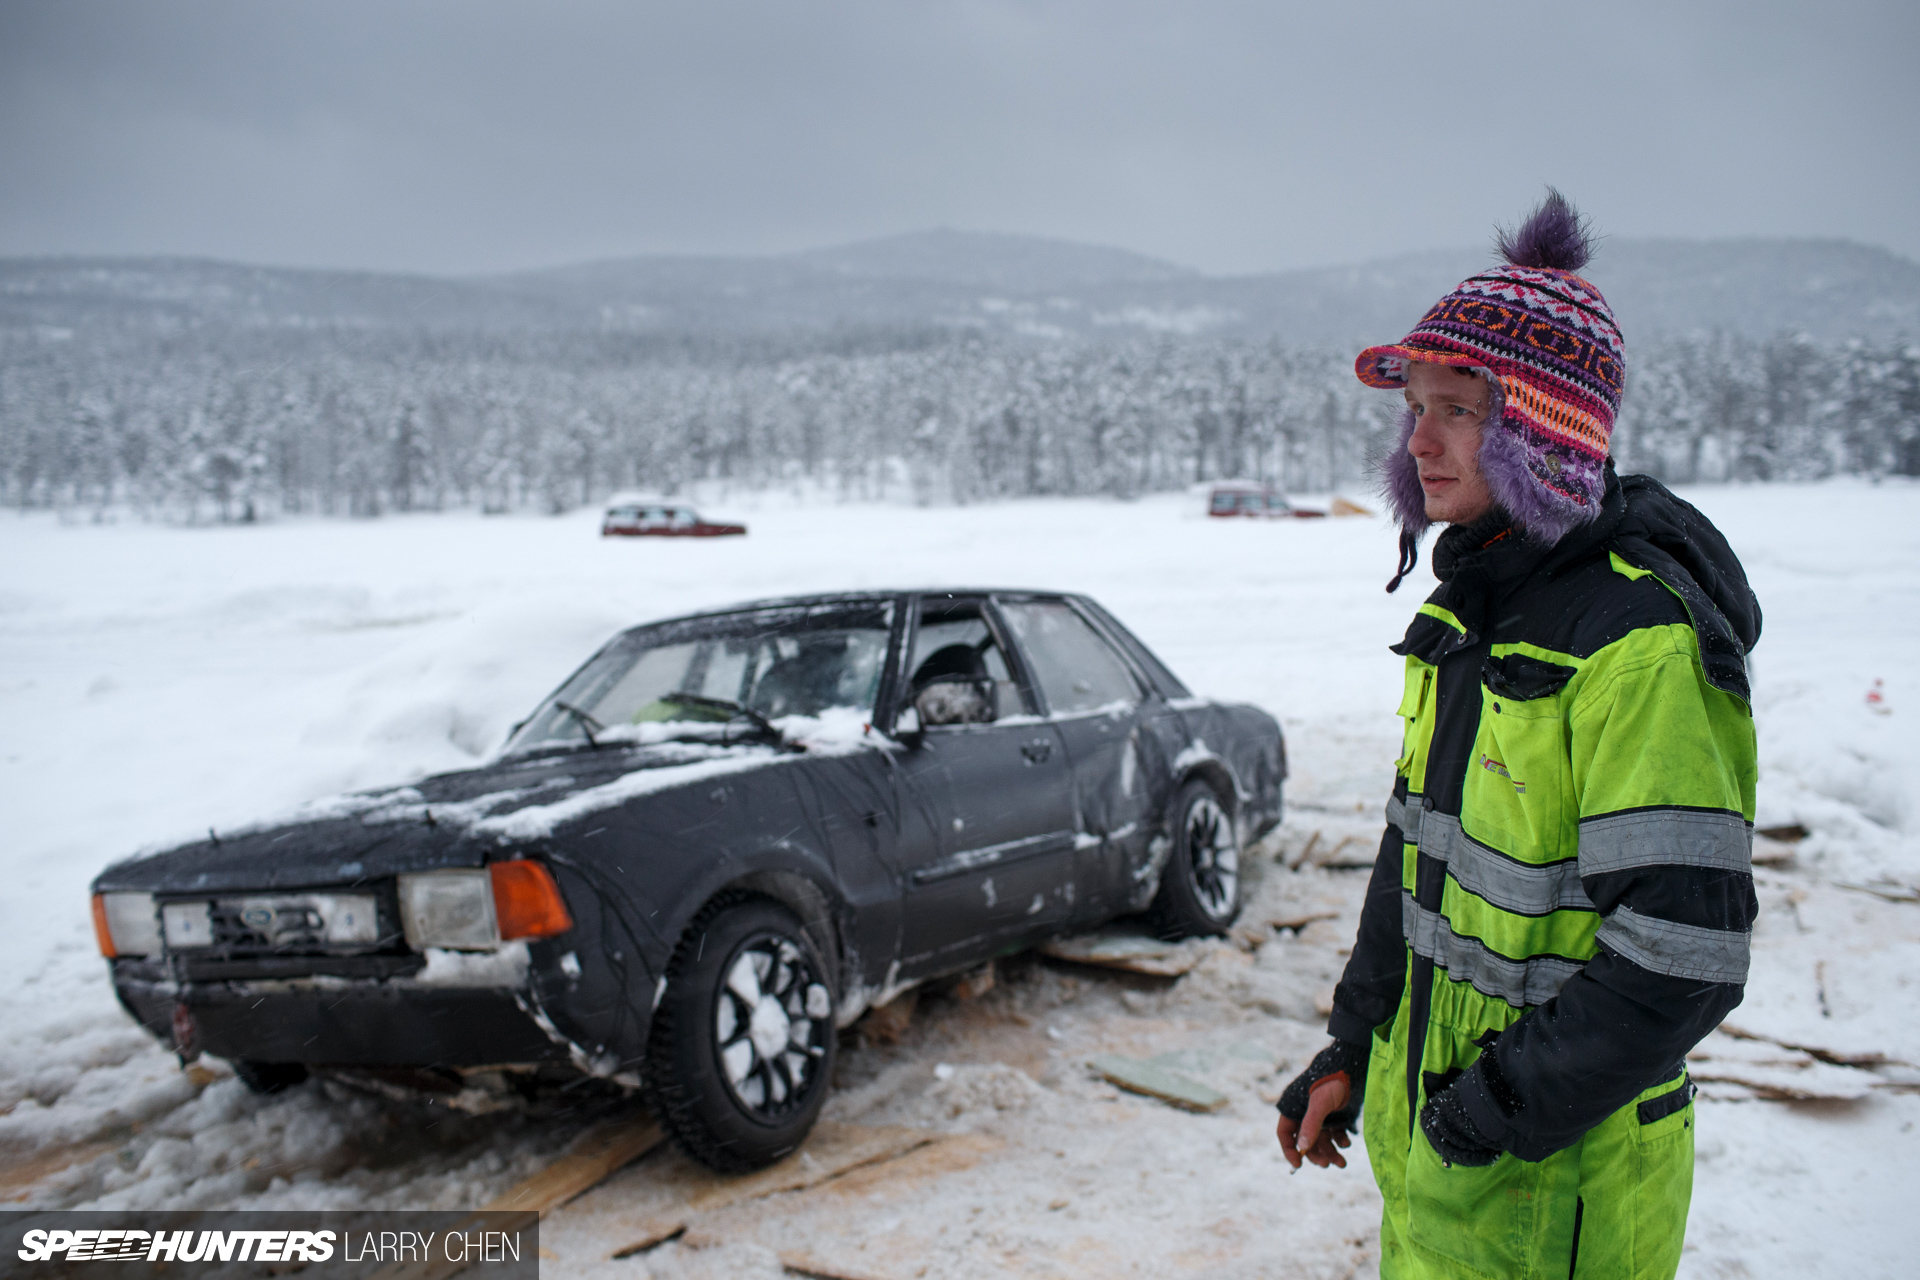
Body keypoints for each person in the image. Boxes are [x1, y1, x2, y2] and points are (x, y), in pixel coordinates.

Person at [1274, 191, 1761, 1280]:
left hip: (1559, 1182)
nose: (1420, 439)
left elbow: (1684, 953)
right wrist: (1356, 1043)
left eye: (1457, 409)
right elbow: (1416, 864)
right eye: (1415, 407)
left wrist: (1496, 1105)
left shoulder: (1637, 642)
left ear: (1540, 430)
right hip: (1439, 1148)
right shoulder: (1469, 614)